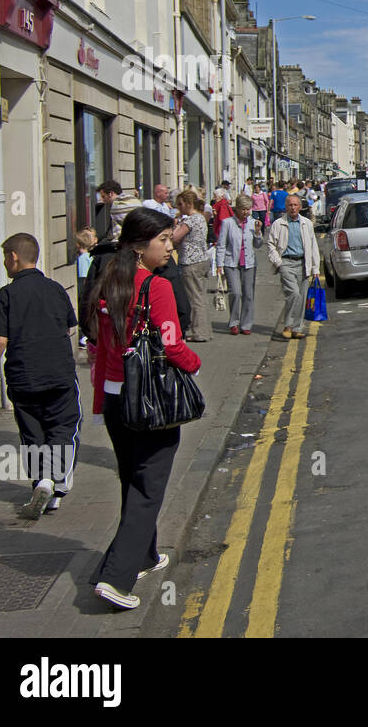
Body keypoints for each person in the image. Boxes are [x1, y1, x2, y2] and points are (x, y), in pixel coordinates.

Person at [86, 208, 200, 609]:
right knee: (147, 490)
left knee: (131, 481)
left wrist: (100, 403)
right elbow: (172, 345)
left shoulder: (107, 283)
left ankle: (146, 555)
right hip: (151, 402)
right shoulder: (157, 287)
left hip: (118, 401)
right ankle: (116, 577)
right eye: (164, 240)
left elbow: (99, 352)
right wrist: (194, 364)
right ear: (139, 247)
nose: (170, 247)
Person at [0, 233, 82, 519]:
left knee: (32, 434)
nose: (4, 262)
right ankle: (55, 487)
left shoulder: (6, 296)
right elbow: (70, 329)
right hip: (59, 375)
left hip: (23, 378)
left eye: (5, 257)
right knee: (62, 428)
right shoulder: (56, 289)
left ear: (13, 257)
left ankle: (40, 482)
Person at [267, 194, 320, 340]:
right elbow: (271, 245)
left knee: (302, 297)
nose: (293, 208)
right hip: (286, 263)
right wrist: (279, 263)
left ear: (300, 207)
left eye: (295, 205)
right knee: (294, 294)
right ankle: (288, 326)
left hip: (303, 263)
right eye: (290, 205)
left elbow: (313, 246)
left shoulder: (307, 223)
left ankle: (297, 328)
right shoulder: (278, 223)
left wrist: (315, 269)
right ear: (286, 207)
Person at [218, 194, 262, 335]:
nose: (246, 212)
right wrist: (219, 265)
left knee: (248, 295)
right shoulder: (228, 223)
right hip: (232, 263)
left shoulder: (253, 223)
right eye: (243, 209)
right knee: (236, 293)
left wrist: (257, 233)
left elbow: (258, 245)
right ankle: (234, 322)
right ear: (236, 209)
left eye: (248, 209)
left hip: (249, 264)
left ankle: (246, 324)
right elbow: (221, 245)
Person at [173, 192, 213, 342]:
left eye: (181, 204)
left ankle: (199, 333)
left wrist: (175, 226)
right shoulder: (201, 218)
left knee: (194, 299)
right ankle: (205, 330)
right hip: (202, 260)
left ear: (188, 204)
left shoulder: (190, 220)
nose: (179, 207)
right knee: (201, 297)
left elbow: (175, 238)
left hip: (191, 262)